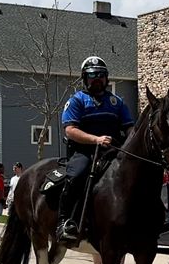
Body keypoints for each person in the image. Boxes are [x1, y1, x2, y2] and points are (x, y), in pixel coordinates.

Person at [58, 55, 135, 243]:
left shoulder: (117, 102)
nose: (97, 79)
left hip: (114, 151)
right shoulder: (77, 101)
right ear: (85, 79)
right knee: (77, 175)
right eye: (92, 76)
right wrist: (96, 140)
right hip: (84, 151)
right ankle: (65, 221)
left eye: (101, 75)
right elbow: (70, 130)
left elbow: (130, 128)